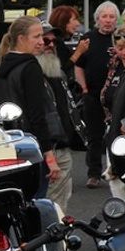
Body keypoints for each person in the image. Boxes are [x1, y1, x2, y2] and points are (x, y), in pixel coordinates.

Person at [0, 16, 66, 196]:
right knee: (39, 201)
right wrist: (49, 155)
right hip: (30, 145)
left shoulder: (0, 65)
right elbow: (37, 114)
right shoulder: (30, 66)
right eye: (36, 36)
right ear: (21, 38)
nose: (41, 42)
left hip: (7, 143)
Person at [73, 1, 119, 188]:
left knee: (117, 135)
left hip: (116, 95)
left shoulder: (121, 38)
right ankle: (93, 174)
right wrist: (83, 88)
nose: (108, 20)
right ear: (97, 19)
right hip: (92, 94)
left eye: (111, 17)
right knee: (94, 136)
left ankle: (117, 171)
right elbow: (78, 65)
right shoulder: (88, 39)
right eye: (104, 16)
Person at [38, 23, 81, 212]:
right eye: (45, 40)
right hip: (46, 148)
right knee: (49, 205)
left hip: (62, 146)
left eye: (54, 41)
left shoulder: (56, 71)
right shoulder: (31, 74)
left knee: (61, 202)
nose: (50, 45)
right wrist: (48, 152)